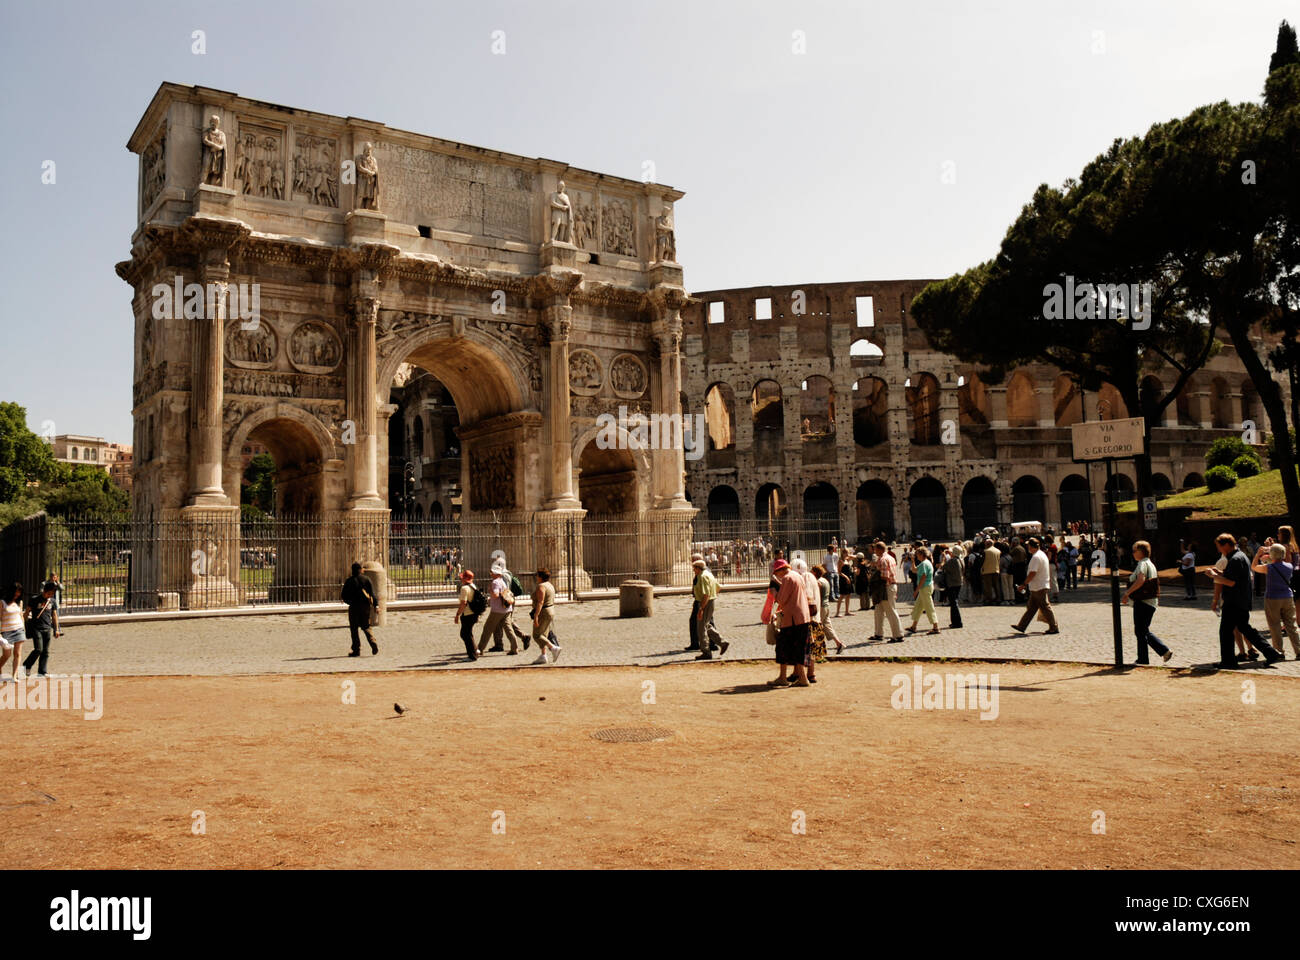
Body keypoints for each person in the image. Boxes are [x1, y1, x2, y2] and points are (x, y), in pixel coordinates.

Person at [1209, 533, 1282, 668]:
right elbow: (1234, 578)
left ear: (1226, 545)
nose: (1218, 549)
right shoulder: (1240, 556)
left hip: (1234, 601)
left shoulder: (1235, 559)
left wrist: (1214, 575)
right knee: (1245, 629)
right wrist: (1219, 573)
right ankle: (1270, 652)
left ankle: (1228, 661)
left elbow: (1231, 583)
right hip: (1241, 600)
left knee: (1226, 631)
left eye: (1219, 546)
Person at [1121, 540, 1172, 662]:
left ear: (1141, 551)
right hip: (1150, 602)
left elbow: (1140, 580)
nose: (1133, 553)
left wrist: (1127, 593)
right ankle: (1155, 654)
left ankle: (1146, 658)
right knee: (1142, 630)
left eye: (1134, 550)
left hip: (1143, 602)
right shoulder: (1150, 563)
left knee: (1141, 631)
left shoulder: (1142, 564)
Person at [768, 559, 810, 688]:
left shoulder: (786, 578)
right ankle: (802, 677)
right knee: (800, 648)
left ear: (781, 570)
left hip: (792, 618)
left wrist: (774, 592)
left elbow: (782, 599)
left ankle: (784, 677)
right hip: (802, 616)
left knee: (783, 647)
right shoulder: (797, 575)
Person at [1253, 543, 1299, 659]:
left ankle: (1279, 652)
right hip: (1287, 597)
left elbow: (1254, 567)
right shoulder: (1289, 566)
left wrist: (1258, 555)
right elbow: (1277, 562)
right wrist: (1270, 556)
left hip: (1272, 598)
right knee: (1291, 625)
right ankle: (1298, 651)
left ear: (1272, 554)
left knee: (1275, 626)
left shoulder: (1269, 568)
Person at [1011, 538, 1059, 635]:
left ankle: (1054, 627)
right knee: (1031, 608)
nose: (1027, 547)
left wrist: (1024, 584)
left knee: (1045, 607)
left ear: (1031, 547)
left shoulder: (1036, 557)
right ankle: (1022, 626)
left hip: (1038, 586)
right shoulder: (1041, 554)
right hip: (1038, 585)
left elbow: (1033, 572)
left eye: (1028, 545)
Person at [478, 558, 518, 655]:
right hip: (507, 609)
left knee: (487, 629)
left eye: (492, 572)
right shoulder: (502, 581)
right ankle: (514, 648)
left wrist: (490, 591)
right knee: (509, 629)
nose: (491, 574)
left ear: (496, 573)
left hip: (497, 610)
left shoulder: (495, 582)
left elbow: (495, 595)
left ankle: (480, 649)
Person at [692, 557, 728, 660]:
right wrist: (713, 596)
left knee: (701, 628)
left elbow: (706, 594)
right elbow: (718, 587)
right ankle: (722, 642)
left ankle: (706, 652)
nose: (694, 571)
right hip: (710, 602)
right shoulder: (709, 574)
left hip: (705, 602)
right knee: (706, 625)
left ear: (698, 568)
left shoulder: (702, 577)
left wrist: (701, 608)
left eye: (694, 569)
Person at [340, 562, 379, 657]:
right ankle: (372, 641)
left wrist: (349, 602)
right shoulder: (366, 579)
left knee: (354, 629)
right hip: (365, 607)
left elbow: (343, 595)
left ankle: (356, 649)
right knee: (366, 626)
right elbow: (372, 594)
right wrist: (376, 605)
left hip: (354, 606)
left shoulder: (349, 581)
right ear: (360, 570)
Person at [22, 580, 59, 678]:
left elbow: (54, 615)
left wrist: (56, 629)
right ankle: (27, 665)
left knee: (45, 651)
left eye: (52, 594)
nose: (50, 595)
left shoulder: (52, 601)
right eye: (49, 593)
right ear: (44, 591)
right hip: (36, 628)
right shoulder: (34, 599)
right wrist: (22, 626)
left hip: (47, 628)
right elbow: (26, 613)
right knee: (38, 649)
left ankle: (42, 671)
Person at [871, 541, 905, 643]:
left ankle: (898, 635)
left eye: (875, 549)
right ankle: (878, 634)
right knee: (878, 610)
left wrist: (873, 577)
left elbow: (884, 576)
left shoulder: (883, 559)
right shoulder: (890, 557)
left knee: (890, 611)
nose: (874, 551)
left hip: (886, 587)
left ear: (880, 549)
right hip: (888, 586)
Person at [529, 567, 562, 664]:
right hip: (550, 610)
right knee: (544, 634)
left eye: (537, 575)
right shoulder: (550, 585)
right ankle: (543, 655)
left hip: (543, 612)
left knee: (537, 635)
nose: (536, 577)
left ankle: (553, 648)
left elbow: (540, 602)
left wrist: (536, 616)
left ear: (540, 576)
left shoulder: (541, 586)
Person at [905, 545, 941, 635]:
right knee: (918, 606)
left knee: (929, 607)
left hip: (925, 587)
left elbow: (923, 577)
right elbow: (914, 570)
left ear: (921, 554)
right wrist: (913, 561)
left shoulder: (924, 563)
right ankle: (913, 626)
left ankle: (936, 627)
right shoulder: (925, 562)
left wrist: (917, 590)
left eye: (917, 555)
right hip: (925, 587)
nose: (916, 556)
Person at [811, 564, 845, 655]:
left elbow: (817, 596)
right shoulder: (825, 580)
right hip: (826, 606)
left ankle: (818, 649)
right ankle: (839, 644)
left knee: (817, 627)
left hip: (820, 607)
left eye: (811, 571)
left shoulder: (817, 582)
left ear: (814, 572)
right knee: (827, 627)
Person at [452, 569, 482, 662]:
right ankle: (475, 649)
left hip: (467, 614)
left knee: (465, 634)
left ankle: (472, 655)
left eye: (462, 578)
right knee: (467, 633)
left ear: (465, 579)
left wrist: (457, 614)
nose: (461, 580)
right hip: (474, 613)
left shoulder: (464, 588)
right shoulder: (473, 586)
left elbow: (463, 603)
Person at [0, 582, 24, 683]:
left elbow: (21, 616)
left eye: (19, 593)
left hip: (19, 629)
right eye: (15, 592)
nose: (17, 595)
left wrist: (24, 629)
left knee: (17, 654)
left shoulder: (20, 602)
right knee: (7, 655)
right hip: (6, 631)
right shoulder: (2, 602)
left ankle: (14, 676)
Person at [944, 543, 965, 628]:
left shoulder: (953, 561)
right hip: (958, 583)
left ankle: (957, 622)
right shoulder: (961, 560)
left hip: (952, 584)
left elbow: (943, 567)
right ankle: (955, 621)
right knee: (954, 602)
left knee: (954, 603)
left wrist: (945, 558)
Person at [981, 539, 1001, 604]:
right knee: (996, 586)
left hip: (987, 570)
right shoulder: (998, 551)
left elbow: (982, 561)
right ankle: (998, 599)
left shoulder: (985, 551)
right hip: (996, 570)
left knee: (988, 586)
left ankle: (989, 600)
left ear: (987, 544)